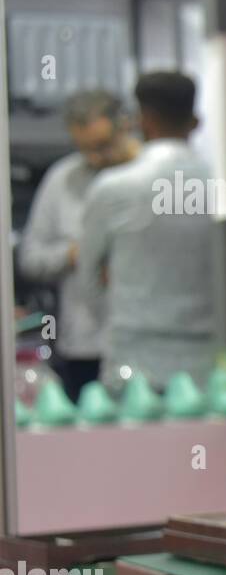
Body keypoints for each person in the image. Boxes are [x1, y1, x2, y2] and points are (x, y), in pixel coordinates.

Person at [76, 71, 218, 389]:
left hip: (132, 365)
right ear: (196, 122)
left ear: (143, 120)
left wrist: (120, 323)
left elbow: (87, 279)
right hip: (211, 365)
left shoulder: (112, 188)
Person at [18, 90, 139, 400]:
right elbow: (31, 257)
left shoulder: (149, 177)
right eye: (86, 149)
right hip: (85, 346)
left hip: (146, 340)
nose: (96, 158)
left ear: (124, 126)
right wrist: (71, 254)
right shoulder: (62, 180)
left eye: (102, 146)